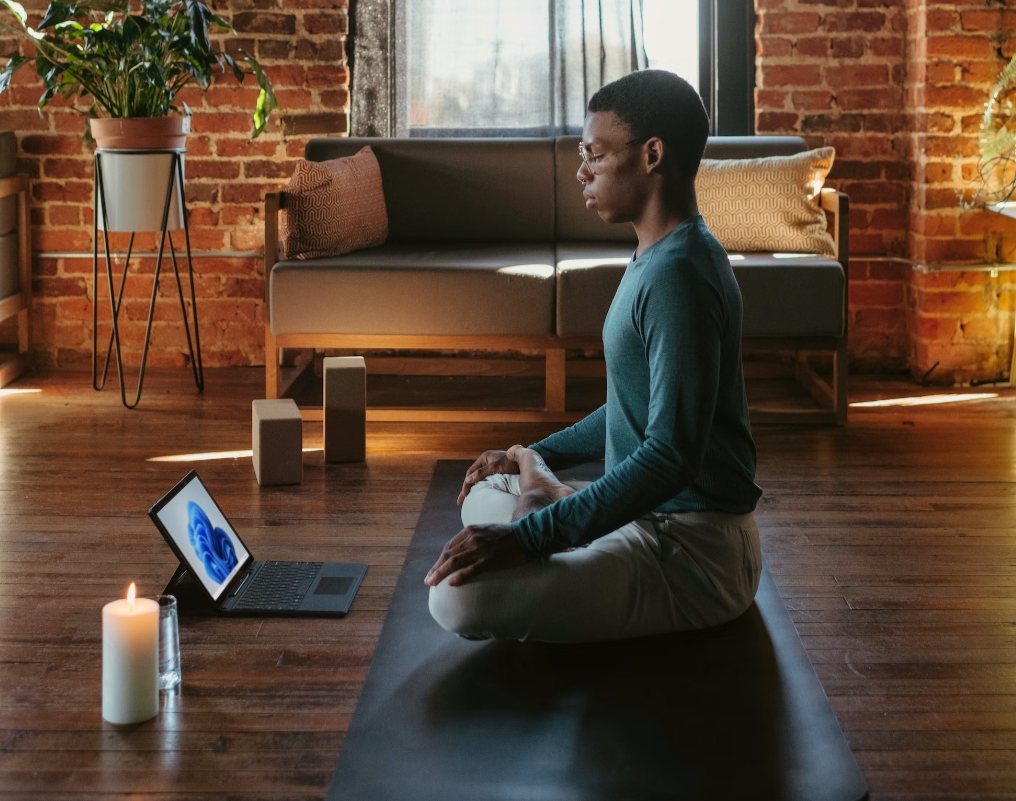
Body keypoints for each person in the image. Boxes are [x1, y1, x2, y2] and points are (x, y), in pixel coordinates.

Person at [424, 69, 763, 643]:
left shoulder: (681, 273)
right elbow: (631, 407)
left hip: (694, 553)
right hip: (646, 520)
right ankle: (538, 484)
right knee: (487, 494)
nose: (582, 170)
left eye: (596, 154)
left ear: (652, 154)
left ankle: (543, 499)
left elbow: (670, 455)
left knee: (455, 601)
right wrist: (531, 451)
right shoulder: (656, 257)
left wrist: (530, 538)